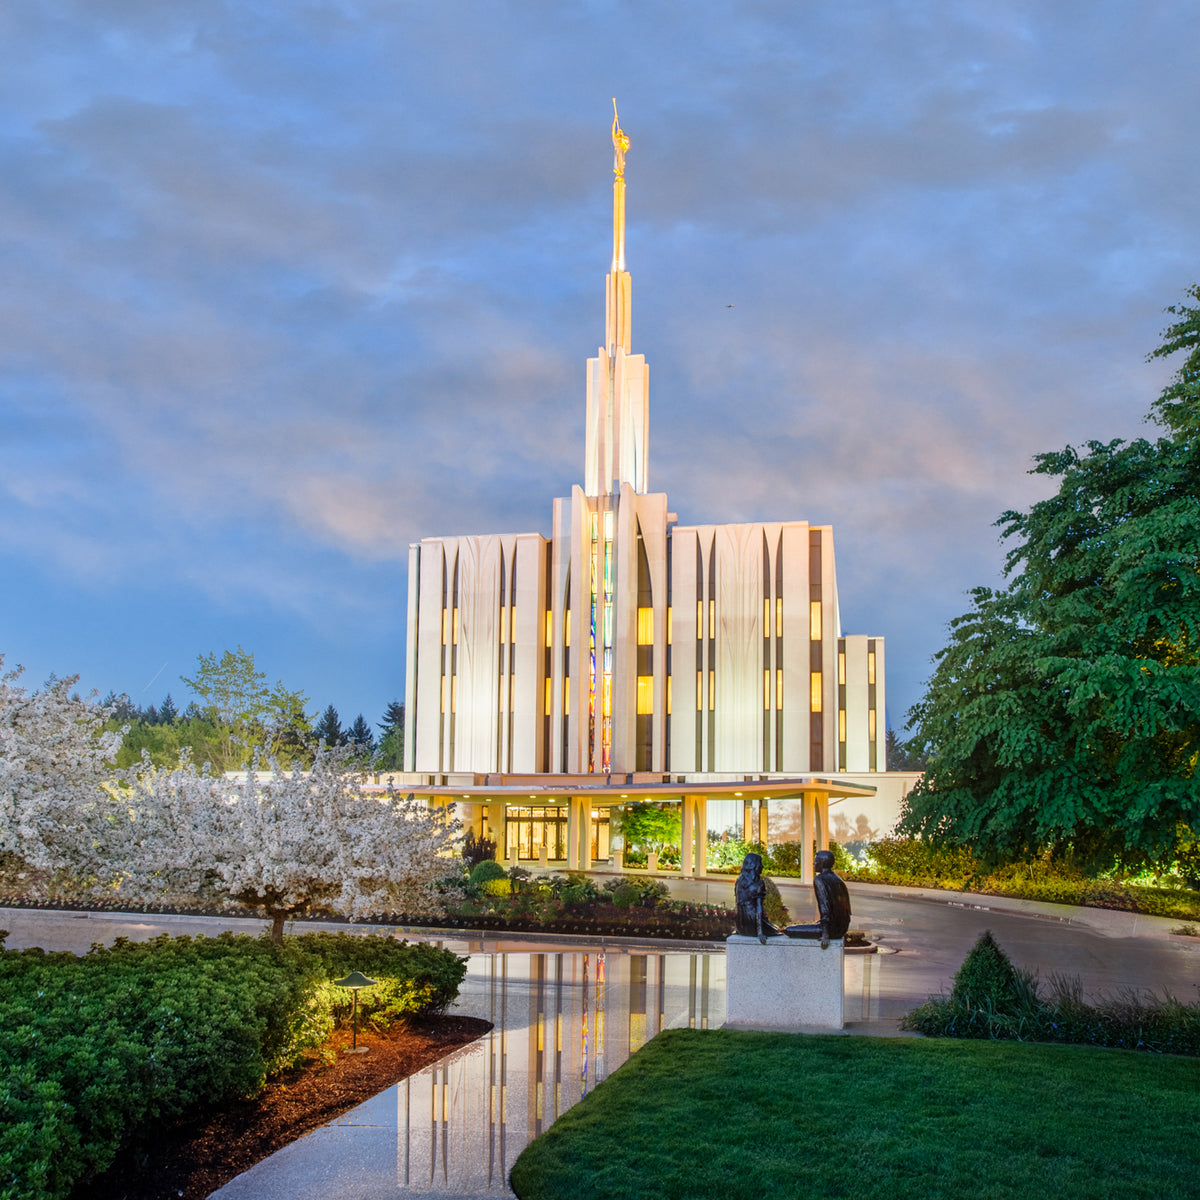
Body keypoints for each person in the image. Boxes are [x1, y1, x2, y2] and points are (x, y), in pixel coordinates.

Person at [785, 850, 851, 949]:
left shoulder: (820, 879)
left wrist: (825, 934)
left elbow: (825, 906)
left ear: (822, 863)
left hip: (831, 930)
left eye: (816, 861)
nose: (813, 863)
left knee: (789, 930)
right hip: (842, 928)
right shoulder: (837, 879)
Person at [733, 852, 782, 943]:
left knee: (774, 927)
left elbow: (737, 905)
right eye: (760, 863)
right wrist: (760, 932)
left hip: (742, 926)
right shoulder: (759, 884)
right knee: (777, 929)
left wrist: (738, 928)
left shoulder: (739, 881)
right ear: (755, 865)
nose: (762, 866)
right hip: (752, 925)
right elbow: (759, 908)